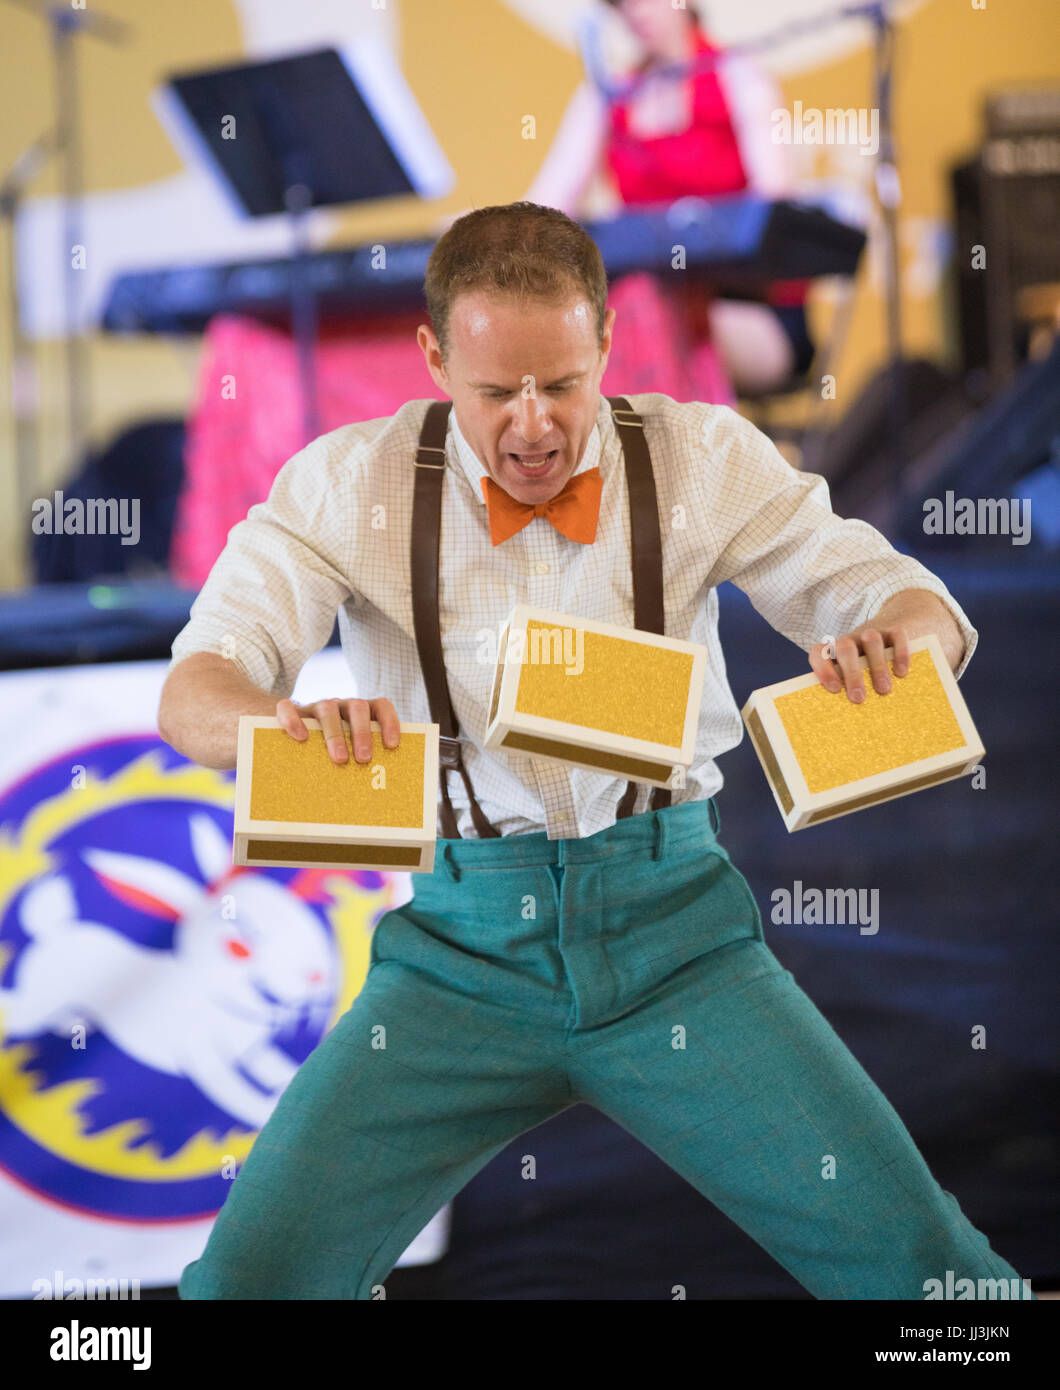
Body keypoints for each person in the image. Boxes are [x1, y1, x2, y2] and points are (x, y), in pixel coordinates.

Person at [162, 202, 1033, 1301]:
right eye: (494, 393)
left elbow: (892, 589)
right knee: (246, 1283)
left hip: (678, 938)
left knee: (932, 1281)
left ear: (608, 342)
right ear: (434, 358)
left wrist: (902, 635)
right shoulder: (345, 485)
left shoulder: (700, 455)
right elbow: (196, 687)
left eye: (562, 384)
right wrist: (270, 724)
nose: (533, 425)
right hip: (457, 958)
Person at [525, 0, 815, 397]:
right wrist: (481, 226)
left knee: (640, 315)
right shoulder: (607, 96)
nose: (634, 12)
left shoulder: (738, 76)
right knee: (613, 316)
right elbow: (545, 208)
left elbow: (775, 213)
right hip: (647, 308)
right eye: (620, 5)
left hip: (755, 317)